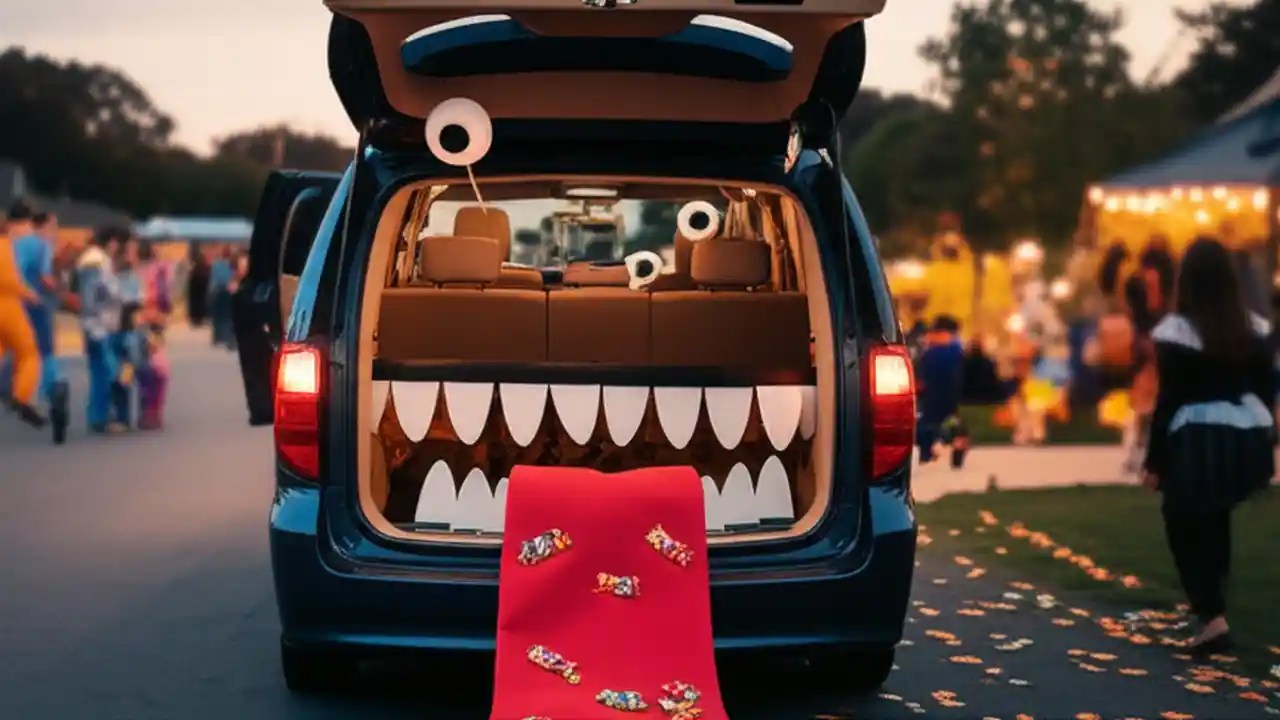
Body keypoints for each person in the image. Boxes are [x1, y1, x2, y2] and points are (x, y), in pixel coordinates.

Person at [1143, 236, 1276, 657]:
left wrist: (1154, 461)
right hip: (1244, 433)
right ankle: (1212, 612)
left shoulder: (1178, 333)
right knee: (1215, 518)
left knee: (1181, 518)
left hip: (1198, 436)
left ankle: (1211, 615)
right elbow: (1264, 388)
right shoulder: (1252, 330)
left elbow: (1169, 400)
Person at [0, 201, 46, 427]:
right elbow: (7, 280)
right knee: (29, 354)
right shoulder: (3, 247)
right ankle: (21, 397)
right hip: (7, 307)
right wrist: (29, 294)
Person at [76, 233, 125, 434]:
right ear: (111, 241)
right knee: (106, 373)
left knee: (101, 373)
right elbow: (94, 295)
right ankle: (100, 417)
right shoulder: (95, 261)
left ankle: (99, 416)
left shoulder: (96, 260)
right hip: (98, 327)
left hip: (98, 325)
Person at [13, 211, 62, 406]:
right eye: (53, 226)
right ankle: (49, 388)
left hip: (15, 302)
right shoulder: (43, 245)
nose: (55, 231)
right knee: (46, 348)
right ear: (44, 226)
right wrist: (60, 291)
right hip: (36, 302)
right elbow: (45, 277)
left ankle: (18, 390)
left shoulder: (18, 244)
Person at [915, 315, 965, 464]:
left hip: (933, 397)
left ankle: (927, 452)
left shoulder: (931, 354)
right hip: (951, 397)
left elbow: (922, 376)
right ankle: (951, 447)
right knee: (951, 424)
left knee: (928, 425)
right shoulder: (958, 352)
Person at [135, 240, 172, 430]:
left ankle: (149, 411)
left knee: (146, 369)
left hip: (142, 323)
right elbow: (165, 301)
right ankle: (152, 411)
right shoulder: (158, 272)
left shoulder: (133, 273)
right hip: (152, 323)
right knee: (157, 369)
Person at [209, 247, 235, 348]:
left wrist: (211, 293)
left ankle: (217, 337)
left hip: (218, 292)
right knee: (228, 316)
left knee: (218, 316)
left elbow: (213, 280)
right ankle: (227, 337)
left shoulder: (217, 265)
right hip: (229, 291)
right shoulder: (232, 265)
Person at [186, 244, 210, 327]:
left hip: (195, 290)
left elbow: (190, 279)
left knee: (195, 303)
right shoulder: (205, 268)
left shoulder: (194, 268)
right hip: (202, 289)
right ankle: (199, 319)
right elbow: (207, 278)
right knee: (201, 302)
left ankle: (195, 319)